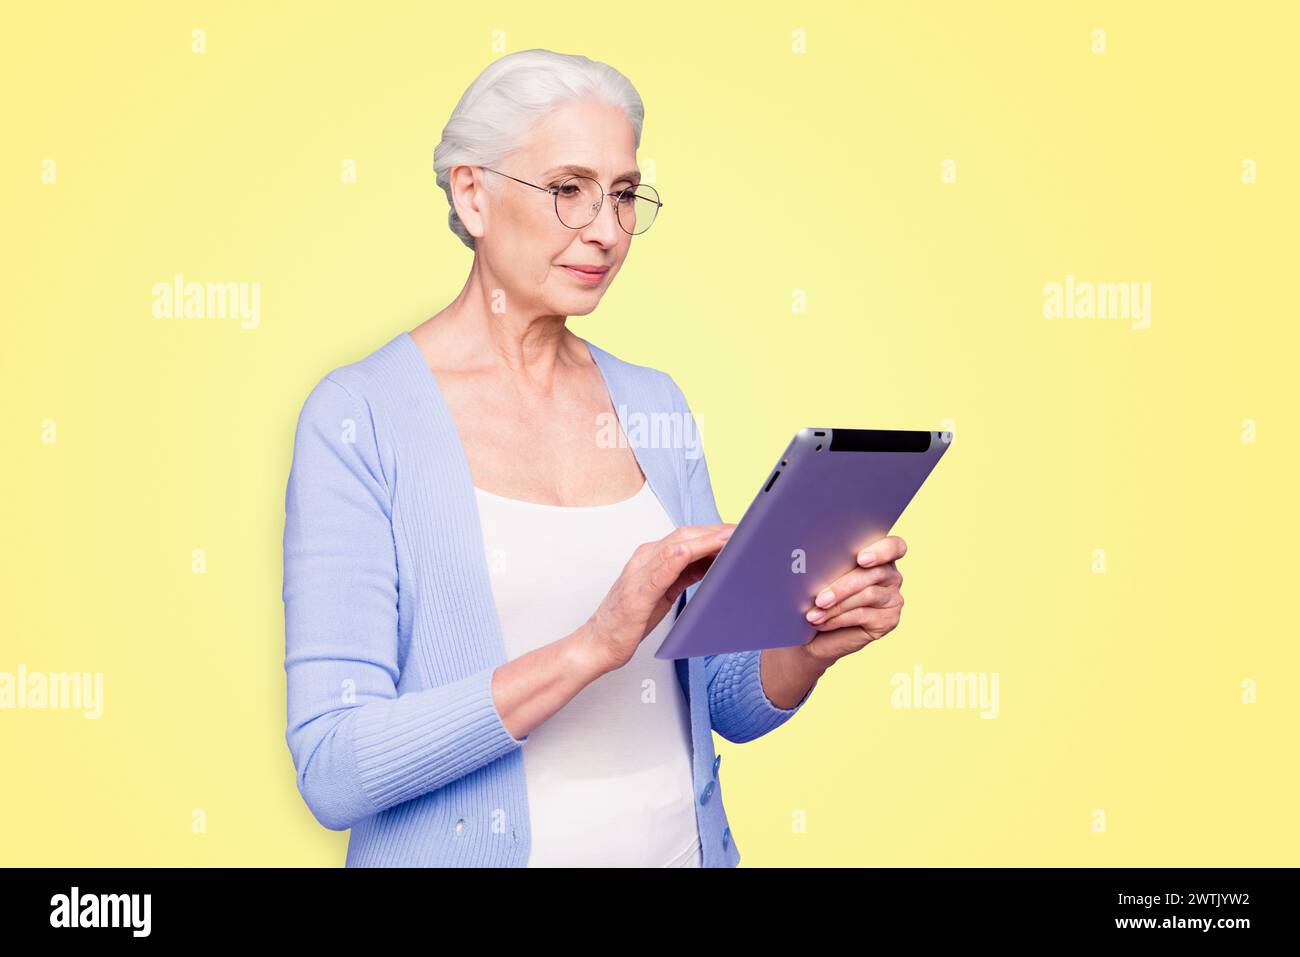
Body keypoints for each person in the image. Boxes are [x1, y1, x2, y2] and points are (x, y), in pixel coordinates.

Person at [281, 48, 907, 867]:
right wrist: (591, 647)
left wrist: (810, 645)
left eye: (621, 195)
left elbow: (719, 695)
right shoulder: (359, 417)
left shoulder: (655, 404)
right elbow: (334, 767)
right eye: (568, 190)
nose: (606, 230)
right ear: (473, 193)